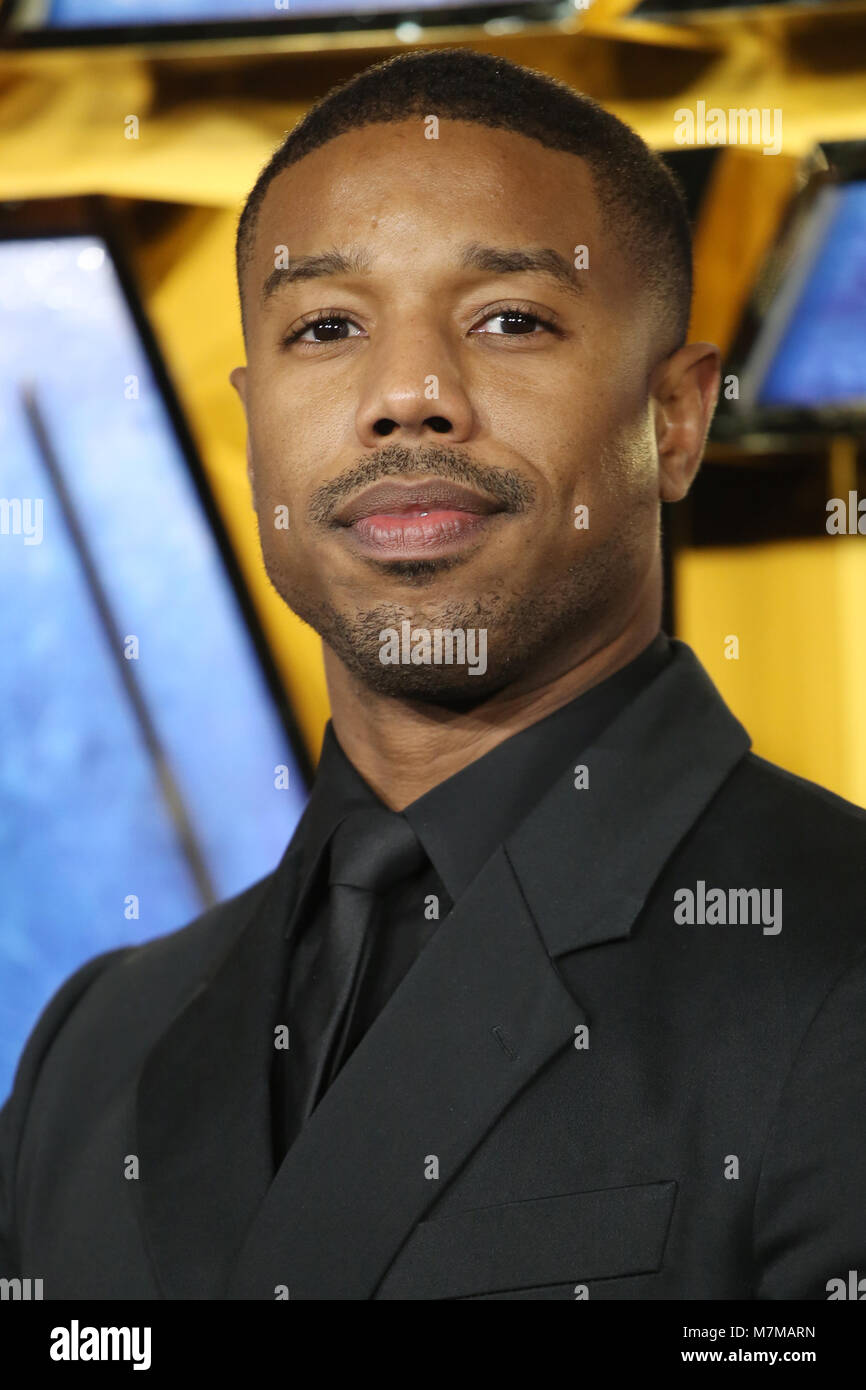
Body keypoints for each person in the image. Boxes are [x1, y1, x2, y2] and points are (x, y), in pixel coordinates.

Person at [2, 48, 865, 1302]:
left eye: (507, 320)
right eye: (325, 328)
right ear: (254, 424)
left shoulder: (836, 958)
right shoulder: (98, 1042)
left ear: (673, 421)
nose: (408, 397)